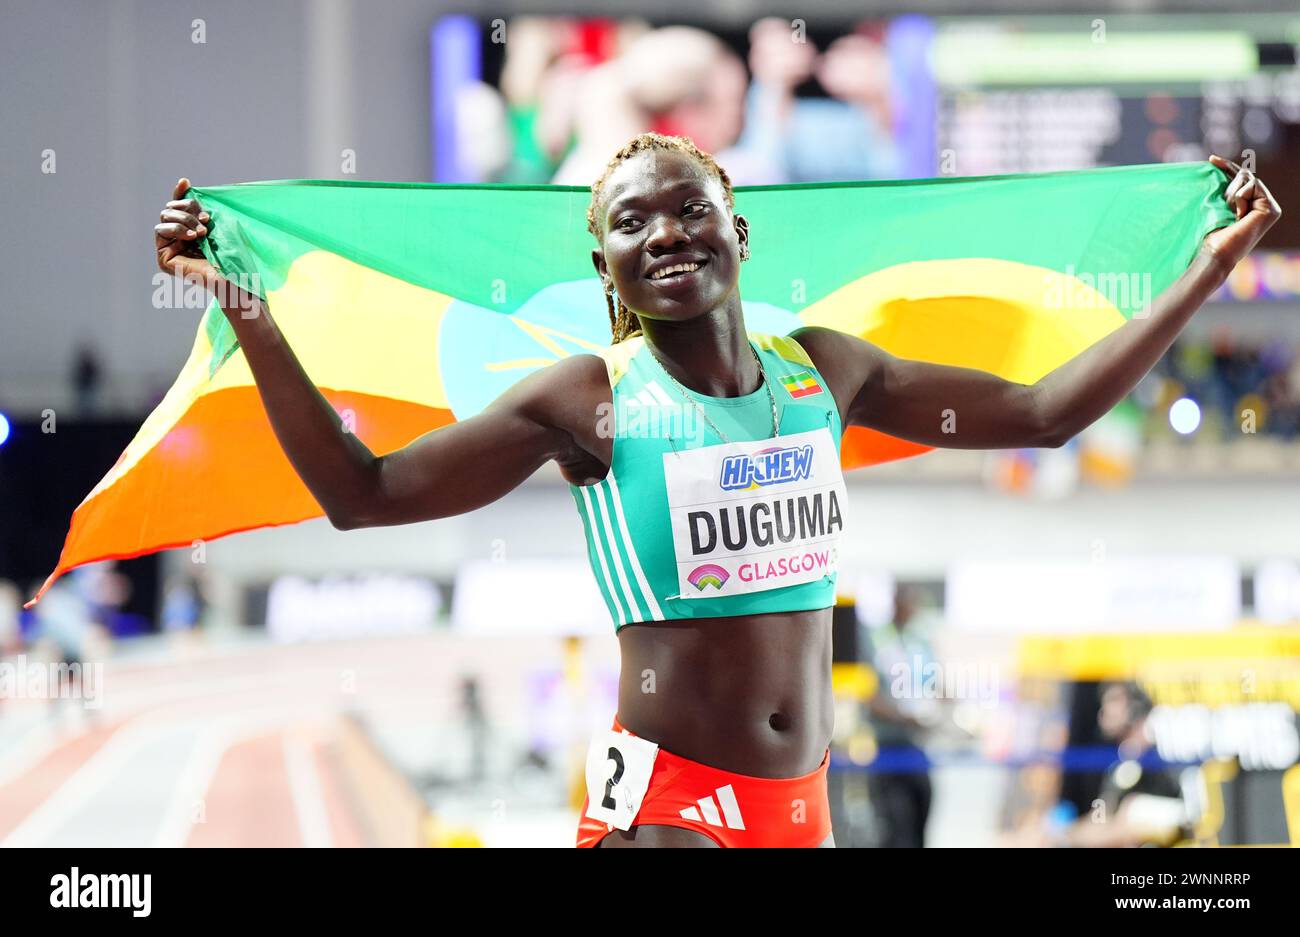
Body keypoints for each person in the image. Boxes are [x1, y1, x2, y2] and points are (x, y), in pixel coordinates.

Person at [154, 134, 1278, 847]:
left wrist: (1203, 275)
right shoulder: (586, 399)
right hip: (670, 806)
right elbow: (364, 493)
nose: (663, 234)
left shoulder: (826, 373)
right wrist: (249, 312)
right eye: (629, 224)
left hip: (802, 805)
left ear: (735, 231)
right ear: (607, 270)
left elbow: (1042, 413)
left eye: (684, 208)